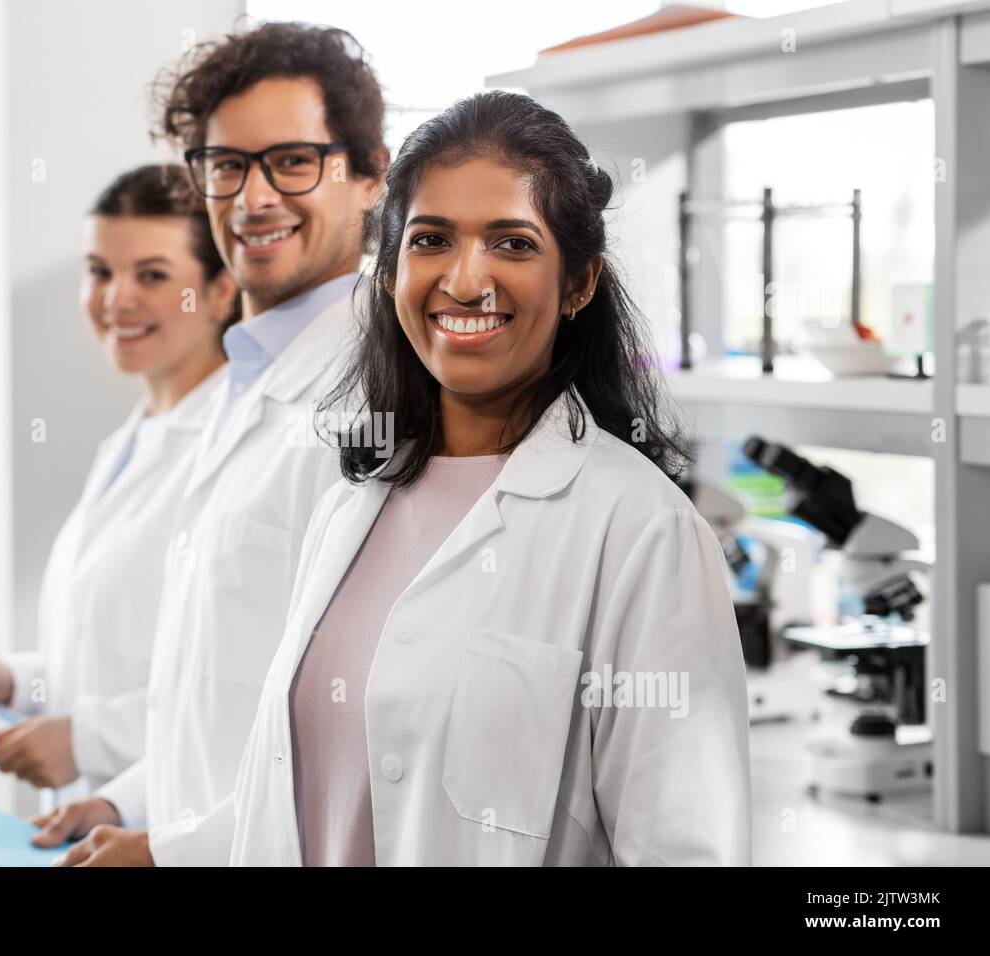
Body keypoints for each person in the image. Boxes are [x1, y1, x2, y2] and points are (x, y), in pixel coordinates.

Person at [230, 91, 752, 865]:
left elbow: (687, 850)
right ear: (390, 271)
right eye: (432, 239)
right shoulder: (350, 506)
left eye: (511, 243)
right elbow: (307, 802)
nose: (467, 279)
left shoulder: (641, 531)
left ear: (578, 284)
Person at [31, 21, 388, 865]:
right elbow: (212, 695)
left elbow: (360, 728)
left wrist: (174, 850)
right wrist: (129, 801)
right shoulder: (246, 382)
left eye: (293, 161)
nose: (254, 197)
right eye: (228, 166)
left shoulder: (374, 398)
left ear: (370, 175)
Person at [0, 165, 238, 804]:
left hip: (161, 821)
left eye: (152, 275)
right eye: (99, 271)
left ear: (219, 291)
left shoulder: (231, 451)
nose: (116, 299)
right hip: (87, 823)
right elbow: (110, 660)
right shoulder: (135, 438)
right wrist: (6, 679)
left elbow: (236, 690)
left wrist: (87, 742)